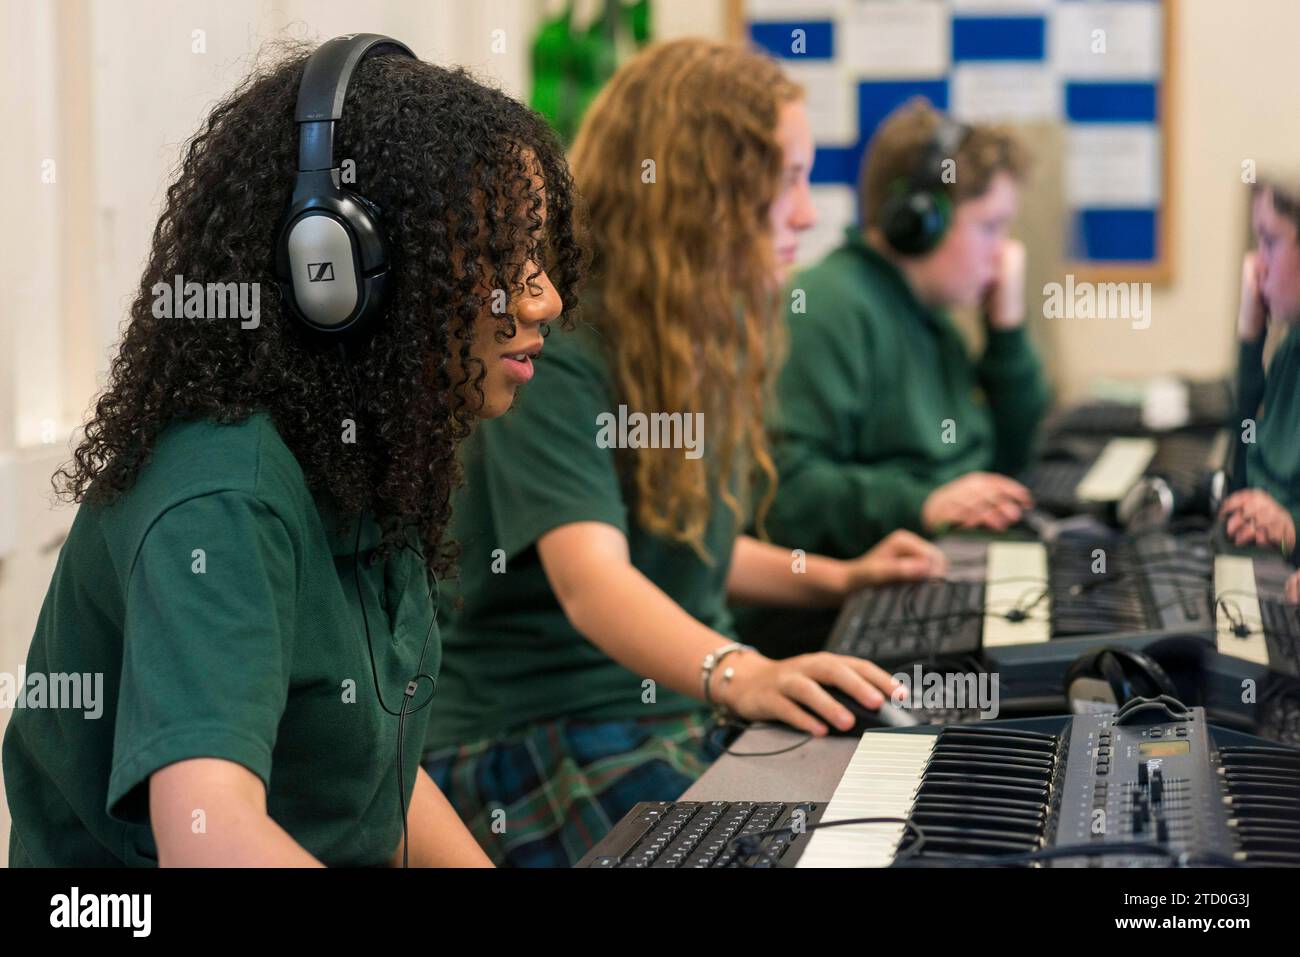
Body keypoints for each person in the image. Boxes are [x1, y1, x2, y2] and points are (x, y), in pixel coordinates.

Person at [2, 35, 583, 867]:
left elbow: (376, 776)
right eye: (504, 257)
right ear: (336, 269)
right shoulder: (222, 497)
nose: (546, 296)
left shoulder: (365, 456)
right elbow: (212, 833)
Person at [422, 39, 946, 868]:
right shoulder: (559, 351)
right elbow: (594, 580)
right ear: (706, 194)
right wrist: (741, 671)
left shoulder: (698, 334)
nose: (807, 214)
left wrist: (838, 576)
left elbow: (687, 543)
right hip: (540, 727)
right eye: (790, 181)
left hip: (661, 711)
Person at [764, 99, 1050, 562]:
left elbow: (1009, 458)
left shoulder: (928, 315)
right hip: (837, 609)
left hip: (944, 560)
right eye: (989, 227)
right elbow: (784, 491)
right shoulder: (828, 308)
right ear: (918, 221)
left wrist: (1006, 329)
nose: (1004, 254)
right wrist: (921, 504)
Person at [1221, 176, 1300, 559]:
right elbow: (1243, 481)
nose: (1256, 266)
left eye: (1270, 243)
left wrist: (1292, 528)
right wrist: (1251, 339)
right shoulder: (1291, 346)